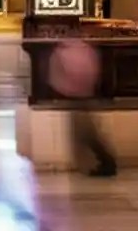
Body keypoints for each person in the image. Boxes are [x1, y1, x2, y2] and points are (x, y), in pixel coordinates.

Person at [48, 38, 116, 176]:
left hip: (73, 96)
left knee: (85, 132)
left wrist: (64, 89)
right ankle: (102, 162)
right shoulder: (87, 49)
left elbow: (55, 77)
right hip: (86, 94)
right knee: (88, 131)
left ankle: (104, 162)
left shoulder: (60, 52)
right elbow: (93, 72)